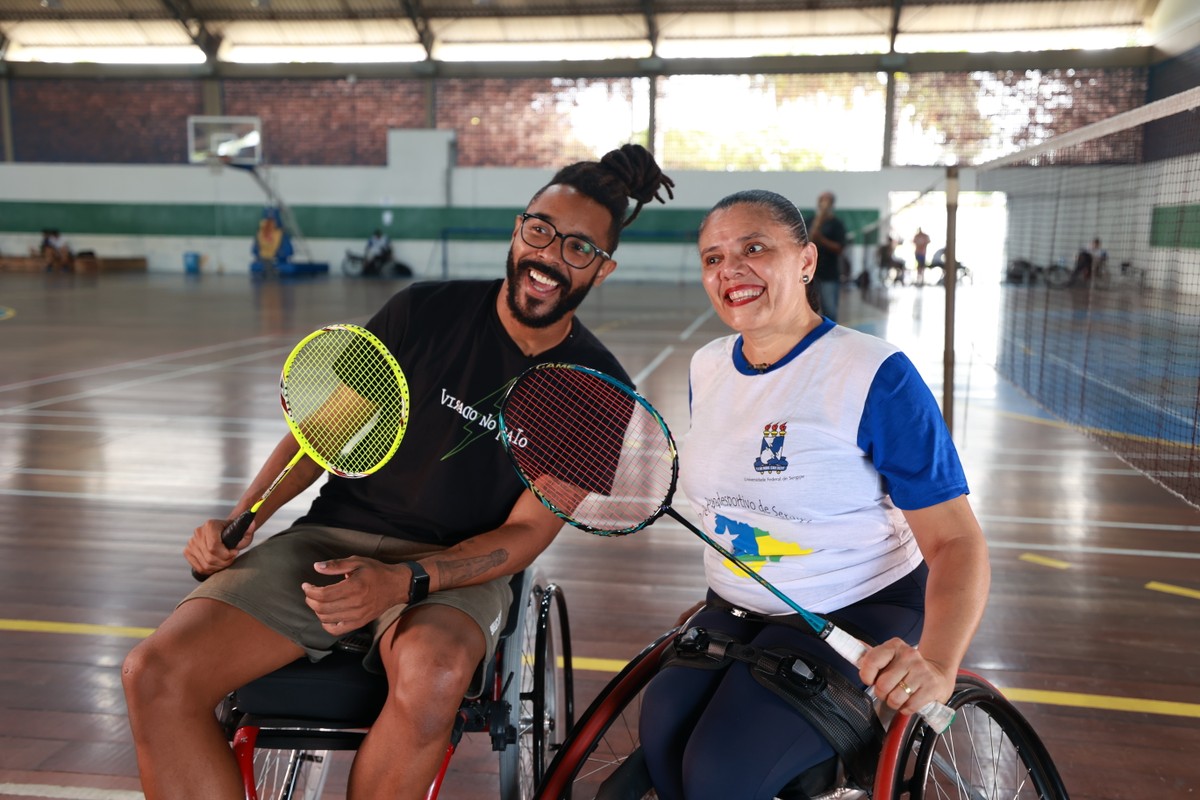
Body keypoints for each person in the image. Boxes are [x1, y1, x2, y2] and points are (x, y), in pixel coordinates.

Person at [121, 144, 676, 800]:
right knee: (154, 674)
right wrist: (243, 519)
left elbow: (527, 533)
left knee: (435, 674)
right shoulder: (424, 312)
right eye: (540, 230)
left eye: (578, 248)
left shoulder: (597, 388)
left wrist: (407, 579)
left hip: (452, 572)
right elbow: (320, 438)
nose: (550, 255)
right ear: (517, 229)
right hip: (330, 542)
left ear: (602, 269)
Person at [639, 189, 990, 800]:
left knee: (720, 773)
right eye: (713, 258)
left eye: (754, 249)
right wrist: (723, 591)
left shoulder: (874, 374)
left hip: (857, 606)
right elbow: (733, 501)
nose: (730, 271)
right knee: (662, 743)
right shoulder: (707, 366)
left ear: (805, 261)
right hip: (737, 608)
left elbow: (956, 540)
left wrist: (935, 662)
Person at [806, 191, 846, 322]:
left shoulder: (837, 224)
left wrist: (821, 239)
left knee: (830, 310)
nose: (824, 203)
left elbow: (840, 248)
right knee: (808, 310)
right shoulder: (809, 221)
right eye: (822, 200)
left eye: (827, 200)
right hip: (809, 275)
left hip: (829, 275)